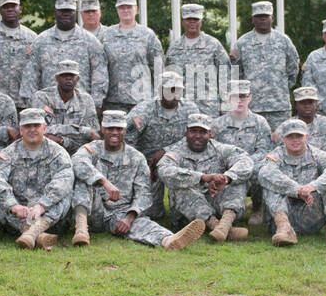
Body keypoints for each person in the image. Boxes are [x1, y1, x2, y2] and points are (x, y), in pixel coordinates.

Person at [71, 110, 207, 249]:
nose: (115, 133)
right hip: (92, 211)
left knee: (142, 224)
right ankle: (81, 230)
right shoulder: (91, 149)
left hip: (120, 213)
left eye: (119, 129)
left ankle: (168, 240)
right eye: (110, 128)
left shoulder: (136, 157)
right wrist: (103, 181)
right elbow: (77, 162)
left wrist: (129, 218)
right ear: (102, 129)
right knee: (84, 178)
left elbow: (144, 193)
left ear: (125, 130)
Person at [258, 119, 326, 246]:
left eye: (299, 136)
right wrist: (297, 190)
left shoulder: (317, 155)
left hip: (310, 216)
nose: (295, 140)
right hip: (280, 219)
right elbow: (265, 174)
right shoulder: (276, 156)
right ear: (283, 138)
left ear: (306, 137)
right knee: (271, 184)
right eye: (290, 136)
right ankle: (285, 229)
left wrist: (313, 186)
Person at [157, 113, 254, 242]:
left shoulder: (220, 149)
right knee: (181, 187)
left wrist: (226, 178)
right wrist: (202, 178)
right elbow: (164, 170)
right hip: (187, 213)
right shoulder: (176, 152)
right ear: (186, 132)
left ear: (210, 134)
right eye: (193, 131)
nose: (197, 135)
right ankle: (218, 227)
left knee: (237, 181)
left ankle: (225, 224)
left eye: (203, 132)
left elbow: (245, 161)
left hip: (216, 203)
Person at [0, 108, 74, 249]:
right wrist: (13, 206)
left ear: (44, 128)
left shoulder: (57, 152)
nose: (32, 130)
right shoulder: (8, 153)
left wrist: (42, 205)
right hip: (18, 215)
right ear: (21, 130)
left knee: (67, 194)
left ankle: (33, 232)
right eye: (27, 126)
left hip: (48, 216)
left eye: (36, 126)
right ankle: (33, 233)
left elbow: (64, 179)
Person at [126, 71, 198, 217]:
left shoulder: (190, 109)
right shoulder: (144, 110)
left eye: (176, 89)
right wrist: (140, 164)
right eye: (169, 89)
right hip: (149, 164)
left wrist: (166, 151)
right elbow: (127, 139)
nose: (173, 93)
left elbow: (198, 138)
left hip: (179, 162)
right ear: (160, 90)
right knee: (151, 213)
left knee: (182, 215)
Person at [22, 0, 109, 109]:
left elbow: (100, 76)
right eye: (62, 11)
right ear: (55, 12)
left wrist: (95, 106)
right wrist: (33, 106)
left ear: (76, 13)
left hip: (81, 108)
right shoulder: (40, 41)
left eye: (69, 11)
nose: (65, 14)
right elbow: (30, 76)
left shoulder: (91, 42)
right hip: (48, 108)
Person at [229, 0, 299, 127]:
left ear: (272, 18)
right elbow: (235, 73)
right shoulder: (242, 43)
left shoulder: (284, 41)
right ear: (252, 19)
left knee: (281, 142)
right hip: (251, 106)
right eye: (258, 17)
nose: (262, 20)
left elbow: (293, 68)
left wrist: (280, 87)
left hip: (279, 106)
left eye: (265, 17)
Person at [213, 80, 272, 216]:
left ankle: (257, 208)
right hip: (226, 168)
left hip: (251, 168)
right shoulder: (217, 124)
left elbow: (264, 151)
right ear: (229, 99)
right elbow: (213, 151)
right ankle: (220, 206)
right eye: (235, 97)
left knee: (261, 171)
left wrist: (244, 164)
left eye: (243, 96)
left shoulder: (260, 122)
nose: (239, 101)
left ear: (249, 98)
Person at [101, 0, 164, 113]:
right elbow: (100, 68)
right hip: (113, 102)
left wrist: (158, 99)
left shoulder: (148, 35)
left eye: (129, 7)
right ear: (117, 10)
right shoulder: (106, 35)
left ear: (136, 9)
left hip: (141, 102)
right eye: (122, 7)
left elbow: (158, 69)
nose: (125, 10)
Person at [165, 3, 230, 116]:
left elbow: (226, 76)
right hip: (181, 109)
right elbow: (167, 79)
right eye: (188, 19)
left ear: (201, 21)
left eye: (195, 19)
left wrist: (225, 106)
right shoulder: (174, 47)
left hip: (208, 109)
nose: (192, 22)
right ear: (182, 21)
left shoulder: (213, 45)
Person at [0, 0, 38, 108]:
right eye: (5, 7)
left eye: (13, 6)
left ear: (20, 9)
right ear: (0, 10)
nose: (10, 10)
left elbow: (36, 70)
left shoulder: (32, 38)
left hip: (24, 101)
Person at [33, 59, 100, 153]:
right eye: (64, 75)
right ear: (57, 78)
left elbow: (94, 133)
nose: (68, 78)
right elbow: (39, 129)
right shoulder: (42, 97)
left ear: (78, 79)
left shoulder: (86, 99)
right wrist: (80, 130)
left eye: (72, 76)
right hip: (48, 149)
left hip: (78, 151)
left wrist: (63, 141)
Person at [290, 86, 326, 154]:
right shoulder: (288, 125)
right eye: (302, 102)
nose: (307, 106)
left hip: (322, 163)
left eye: (310, 102)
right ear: (296, 105)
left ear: (316, 105)